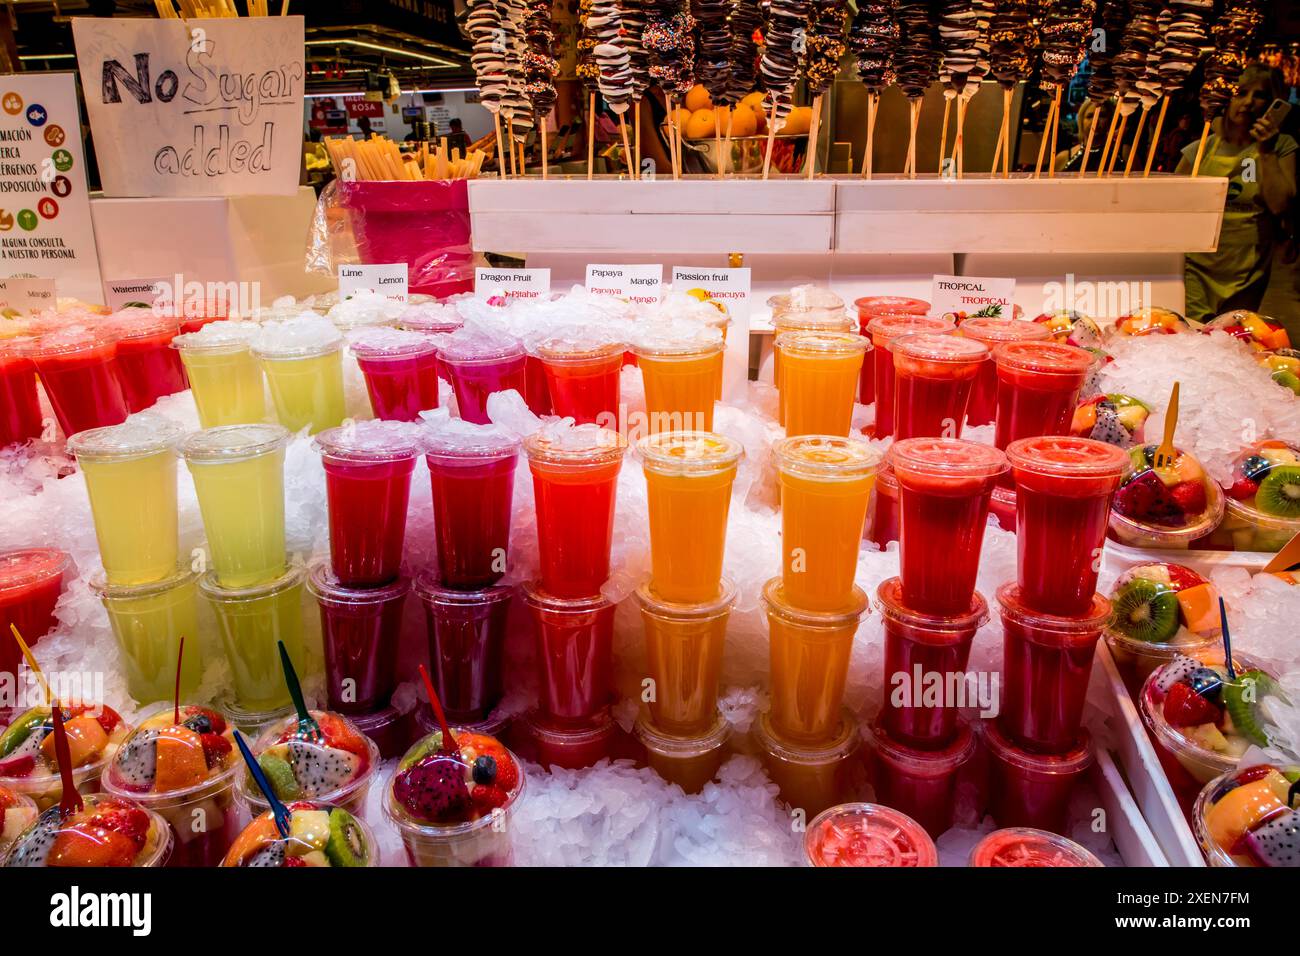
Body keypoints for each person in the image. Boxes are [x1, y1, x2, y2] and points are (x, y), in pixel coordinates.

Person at [1177, 65, 1297, 323]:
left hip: (1248, 269)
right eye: (1241, 93)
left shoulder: (1282, 147)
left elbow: (1281, 204)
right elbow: (1170, 206)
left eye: (1260, 95)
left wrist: (1265, 152)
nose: (1249, 102)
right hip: (1196, 266)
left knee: (1233, 338)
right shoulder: (1199, 150)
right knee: (1197, 334)